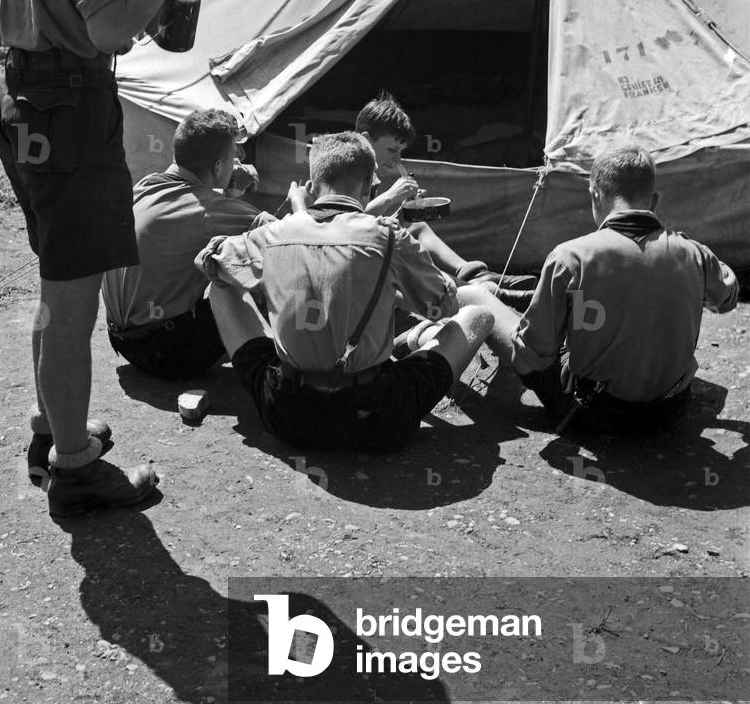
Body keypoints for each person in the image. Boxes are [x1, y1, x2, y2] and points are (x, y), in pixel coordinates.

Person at [0, 0, 233, 516]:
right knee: (72, 303)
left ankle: (53, 429)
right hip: (70, 110)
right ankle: (75, 471)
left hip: (22, 99)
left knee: (55, 287)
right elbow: (108, 30)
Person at [195, 132, 499, 452]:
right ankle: (413, 341)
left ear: (312, 189)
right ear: (370, 186)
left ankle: (406, 341)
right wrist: (392, 292)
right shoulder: (389, 236)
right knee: (478, 315)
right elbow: (446, 307)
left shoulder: (273, 233)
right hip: (378, 418)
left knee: (220, 289)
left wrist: (268, 276)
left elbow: (210, 265)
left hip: (288, 415)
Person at [507, 147, 740, 432]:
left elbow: (534, 353)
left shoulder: (570, 257)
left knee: (498, 313)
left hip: (594, 412)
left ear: (594, 195)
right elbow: (726, 299)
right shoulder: (695, 254)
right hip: (669, 410)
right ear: (654, 201)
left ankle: (494, 293)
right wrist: (712, 266)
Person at [102, 109, 272, 378]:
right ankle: (275, 368)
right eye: (233, 156)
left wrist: (227, 192)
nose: (237, 161)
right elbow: (285, 235)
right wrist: (301, 200)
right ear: (218, 166)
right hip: (164, 351)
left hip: (123, 340)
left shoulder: (146, 185)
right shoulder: (207, 209)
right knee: (245, 268)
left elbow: (190, 218)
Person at [355, 92, 537, 298]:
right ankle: (471, 291)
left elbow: (368, 221)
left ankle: (474, 274)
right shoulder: (346, 170)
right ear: (365, 140)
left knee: (415, 226)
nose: (398, 158)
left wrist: (404, 213)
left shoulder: (370, 174)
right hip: (354, 257)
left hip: (365, 245)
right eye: (391, 149)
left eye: (401, 151)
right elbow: (345, 222)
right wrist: (391, 196)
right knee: (405, 250)